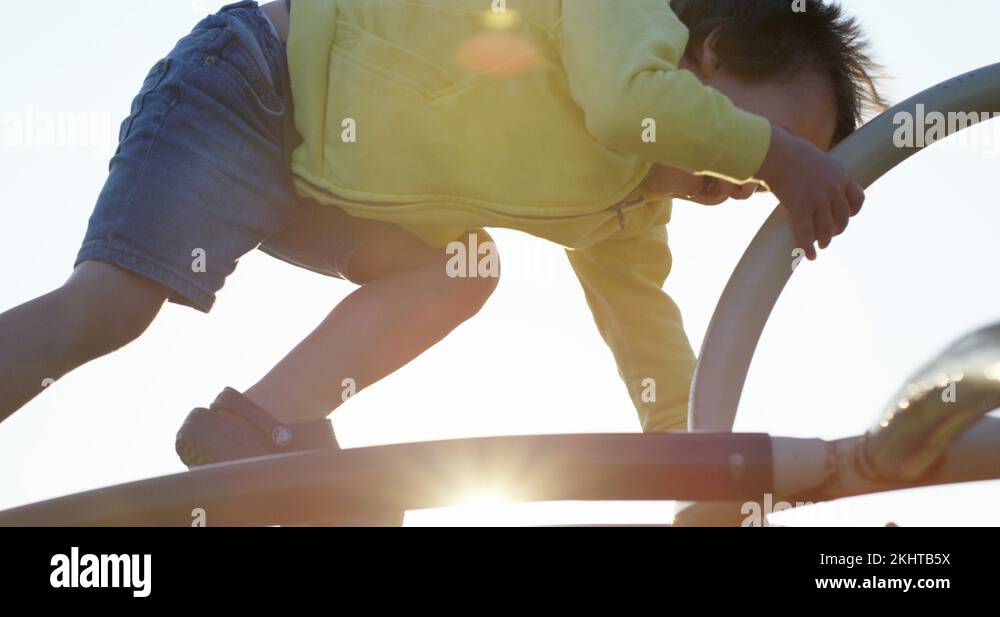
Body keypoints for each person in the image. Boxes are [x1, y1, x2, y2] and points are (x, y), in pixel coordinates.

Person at [0, 0, 884, 471]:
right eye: (778, 145)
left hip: (318, 181)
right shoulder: (631, 21)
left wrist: (697, 455)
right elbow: (631, 105)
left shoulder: (627, 217)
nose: (748, 185)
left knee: (463, 271)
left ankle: (263, 420)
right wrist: (778, 158)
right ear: (715, 52)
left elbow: (646, 335)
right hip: (253, 81)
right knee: (111, 308)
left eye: (765, 179)